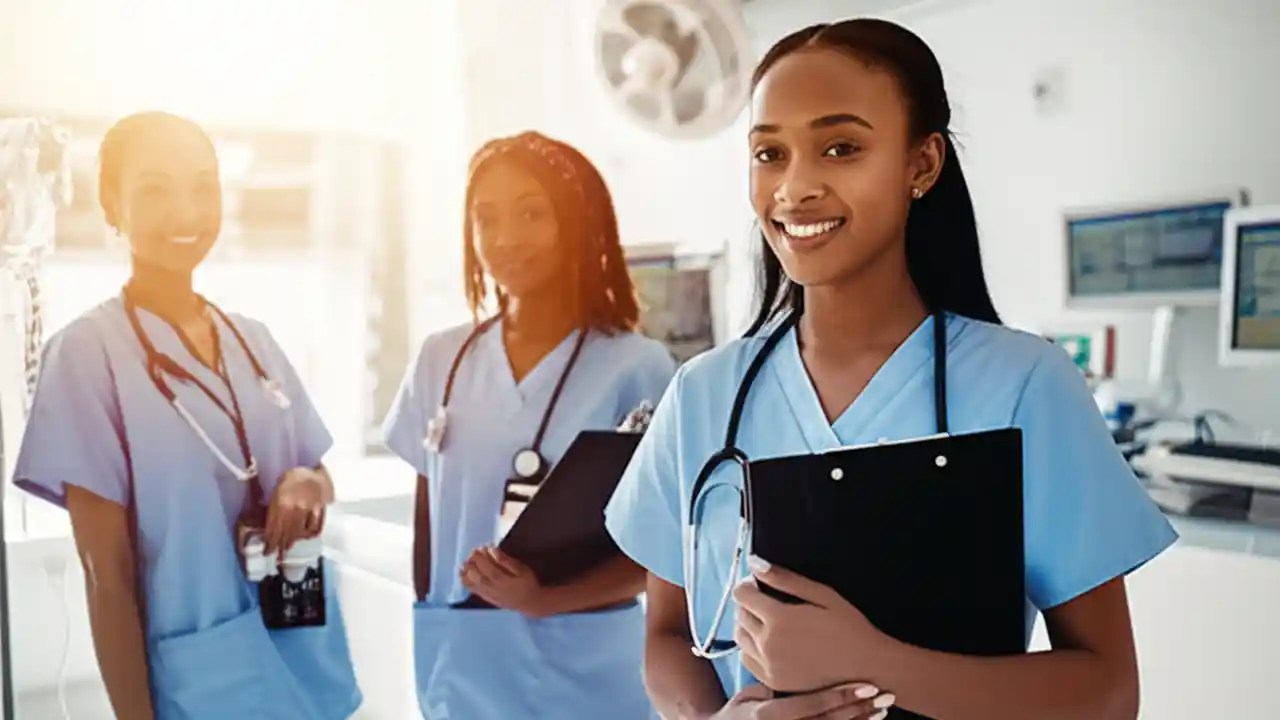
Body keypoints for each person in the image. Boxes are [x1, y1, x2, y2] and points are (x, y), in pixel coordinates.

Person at [605, 19, 1177, 720]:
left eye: (840, 148)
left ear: (922, 164)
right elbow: (666, 637)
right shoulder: (702, 395)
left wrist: (871, 663)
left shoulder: (1026, 385)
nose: (794, 187)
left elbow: (1109, 692)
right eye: (769, 153)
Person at [11, 112, 362, 719]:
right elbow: (107, 574)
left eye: (204, 185)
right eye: (155, 189)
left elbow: (318, 474)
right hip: (199, 690)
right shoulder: (87, 356)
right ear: (111, 206)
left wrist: (307, 484)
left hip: (307, 670)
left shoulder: (254, 341)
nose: (187, 210)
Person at [381, 130, 677, 719]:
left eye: (531, 213)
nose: (504, 238)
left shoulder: (635, 366)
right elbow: (430, 517)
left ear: (579, 223)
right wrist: (432, 613)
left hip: (585, 676)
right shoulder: (444, 358)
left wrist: (549, 600)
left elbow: (670, 553)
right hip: (462, 667)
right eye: (485, 219)